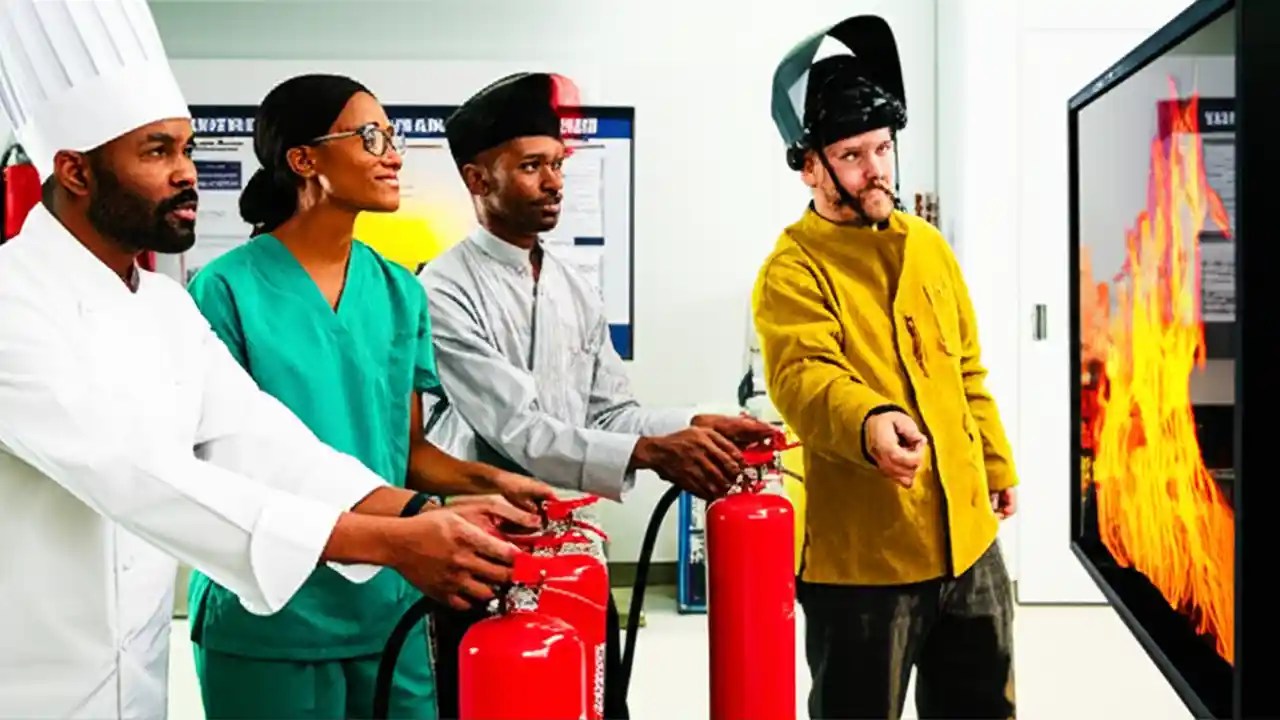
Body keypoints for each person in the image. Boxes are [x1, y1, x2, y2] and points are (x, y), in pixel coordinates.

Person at [0, 2, 532, 717]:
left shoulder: (159, 306)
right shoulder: (13, 301)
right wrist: (390, 542)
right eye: (158, 152)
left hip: (134, 682)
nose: (188, 173)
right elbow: (132, 475)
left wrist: (422, 512)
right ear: (75, 172)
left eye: (187, 149)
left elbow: (264, 440)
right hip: (28, 684)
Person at [183, 72, 561, 720]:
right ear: (303, 159)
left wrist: (493, 484)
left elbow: (403, 451)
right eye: (369, 135)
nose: (392, 153)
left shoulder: (398, 292)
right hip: (269, 608)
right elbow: (227, 469)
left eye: (392, 136)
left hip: (390, 601)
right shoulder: (224, 291)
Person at [418, 71, 777, 719]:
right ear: (477, 178)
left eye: (557, 164)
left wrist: (698, 424)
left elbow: (610, 411)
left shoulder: (571, 284)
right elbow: (519, 432)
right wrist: (651, 452)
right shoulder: (442, 290)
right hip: (482, 560)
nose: (554, 182)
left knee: (598, 704)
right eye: (532, 166)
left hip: (574, 552)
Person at [752, 33, 1019, 720]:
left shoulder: (927, 247)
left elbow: (966, 368)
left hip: (969, 545)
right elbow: (805, 379)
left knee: (983, 708)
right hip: (863, 564)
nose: (875, 170)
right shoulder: (792, 270)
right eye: (851, 156)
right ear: (809, 168)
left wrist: (994, 462)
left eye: (882, 147)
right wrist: (870, 421)